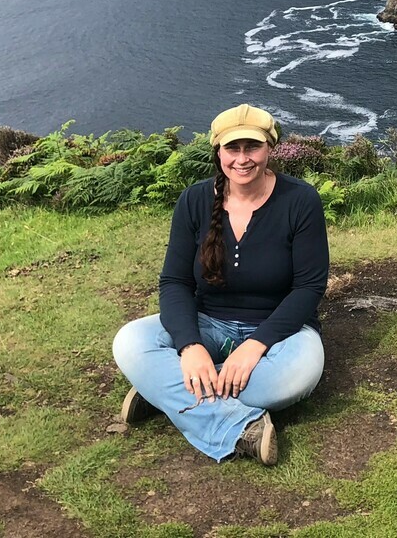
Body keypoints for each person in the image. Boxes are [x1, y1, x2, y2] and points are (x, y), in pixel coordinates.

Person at [112, 104, 328, 464]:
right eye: (232, 148)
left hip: (282, 334)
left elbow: (309, 288)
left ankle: (165, 390)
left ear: (269, 149)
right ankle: (238, 427)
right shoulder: (194, 200)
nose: (242, 159)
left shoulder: (300, 201)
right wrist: (190, 346)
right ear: (218, 152)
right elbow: (175, 282)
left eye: (252, 147)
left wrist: (255, 345)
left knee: (297, 376)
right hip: (207, 322)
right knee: (130, 341)